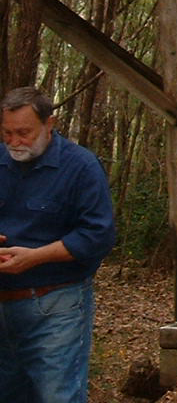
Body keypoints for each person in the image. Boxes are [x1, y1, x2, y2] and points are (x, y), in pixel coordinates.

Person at [0, 87, 116, 403]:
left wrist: (36, 257)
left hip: (56, 304)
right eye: (7, 133)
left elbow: (98, 235)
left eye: (24, 133)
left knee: (57, 395)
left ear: (49, 124)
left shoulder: (80, 166)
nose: (15, 142)